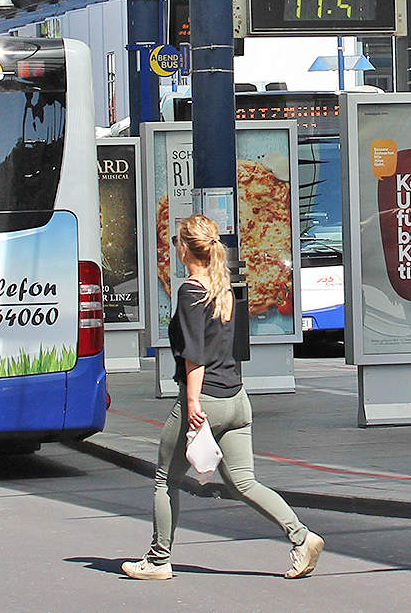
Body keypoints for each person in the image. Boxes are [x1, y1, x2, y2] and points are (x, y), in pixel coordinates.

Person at [123, 214, 325, 582]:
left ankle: (157, 561)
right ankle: (302, 537)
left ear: (185, 249)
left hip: (206, 401)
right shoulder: (222, 287)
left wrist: (193, 403)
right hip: (236, 399)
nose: (175, 248)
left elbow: (195, 355)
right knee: (243, 482)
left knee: (165, 480)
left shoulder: (191, 291)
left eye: (176, 242)